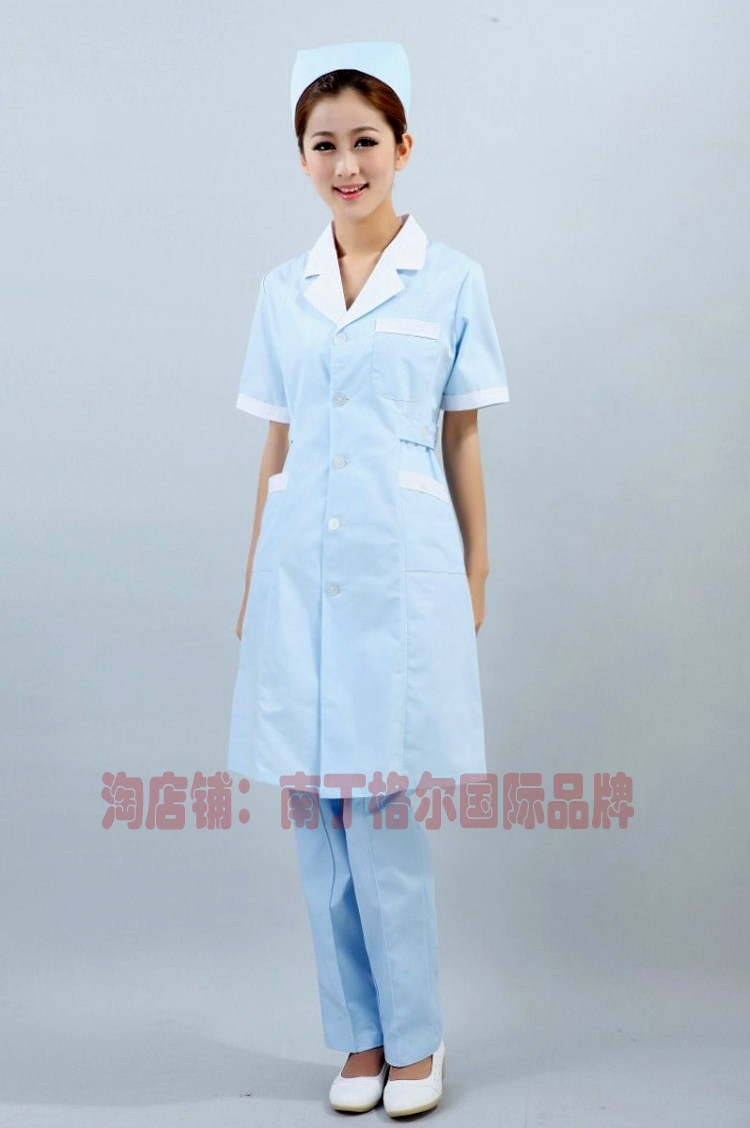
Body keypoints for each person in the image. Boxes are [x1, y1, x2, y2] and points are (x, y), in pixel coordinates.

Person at [227, 40, 509, 1117]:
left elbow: (462, 436)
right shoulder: (282, 291)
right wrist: (254, 580)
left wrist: (477, 566)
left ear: (403, 147)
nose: (346, 165)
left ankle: (416, 1042)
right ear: (301, 156)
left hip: (399, 573)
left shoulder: (452, 281)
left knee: (382, 816)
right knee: (314, 820)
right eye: (323, 145)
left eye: (365, 141)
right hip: (299, 576)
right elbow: (279, 445)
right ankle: (356, 1040)